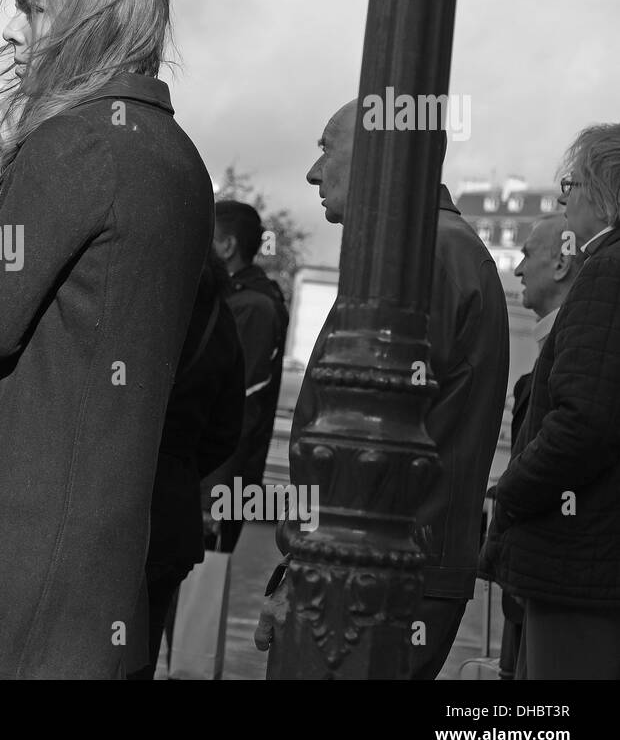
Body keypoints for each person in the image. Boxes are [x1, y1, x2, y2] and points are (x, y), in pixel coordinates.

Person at [0, 0, 215, 680]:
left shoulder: (75, 143)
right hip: (103, 548)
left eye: (36, 10)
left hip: (11, 538)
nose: (19, 30)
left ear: (84, 21)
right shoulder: (181, 161)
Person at [255, 100, 509, 679]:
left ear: (380, 158)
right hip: (389, 569)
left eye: (326, 148)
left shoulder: (420, 257)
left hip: (370, 579)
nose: (313, 172)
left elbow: (364, 446)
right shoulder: (440, 249)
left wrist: (304, 564)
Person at [480, 124, 620, 679]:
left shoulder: (607, 267)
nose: (566, 197)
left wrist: (511, 491)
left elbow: (584, 420)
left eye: (572, 183)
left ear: (603, 189)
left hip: (582, 562)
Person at [135, 251, 246, 679]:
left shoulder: (141, 313)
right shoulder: (223, 326)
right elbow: (226, 433)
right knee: (140, 651)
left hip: (110, 506)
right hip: (171, 515)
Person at [496, 211, 580, 678]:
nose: (518, 268)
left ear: (563, 264)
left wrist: (509, 493)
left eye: (527, 253)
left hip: (545, 583)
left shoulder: (561, 360)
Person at [202, 199, 289, 552]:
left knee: (198, 598)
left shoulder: (254, 307)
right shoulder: (240, 298)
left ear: (227, 246)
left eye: (207, 236)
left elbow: (243, 404)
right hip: (214, 482)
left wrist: (213, 498)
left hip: (218, 488)